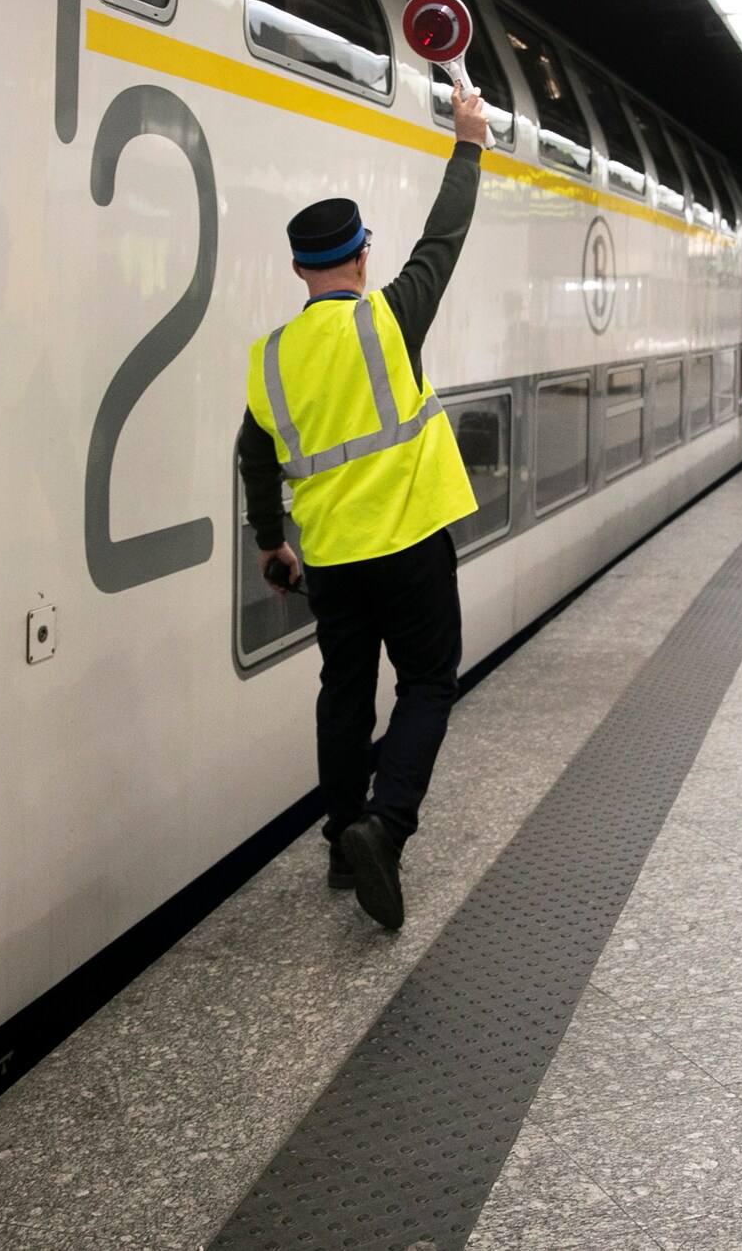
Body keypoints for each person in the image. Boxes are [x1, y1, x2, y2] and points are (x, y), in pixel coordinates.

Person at [237, 85, 488, 932]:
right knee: (426, 682)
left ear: (303, 268)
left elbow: (253, 450)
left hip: (334, 558)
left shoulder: (271, 357)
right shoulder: (390, 318)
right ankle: (388, 824)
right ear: (362, 257)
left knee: (344, 690)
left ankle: (343, 845)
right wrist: (468, 141)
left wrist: (273, 543)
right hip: (412, 542)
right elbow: (445, 236)